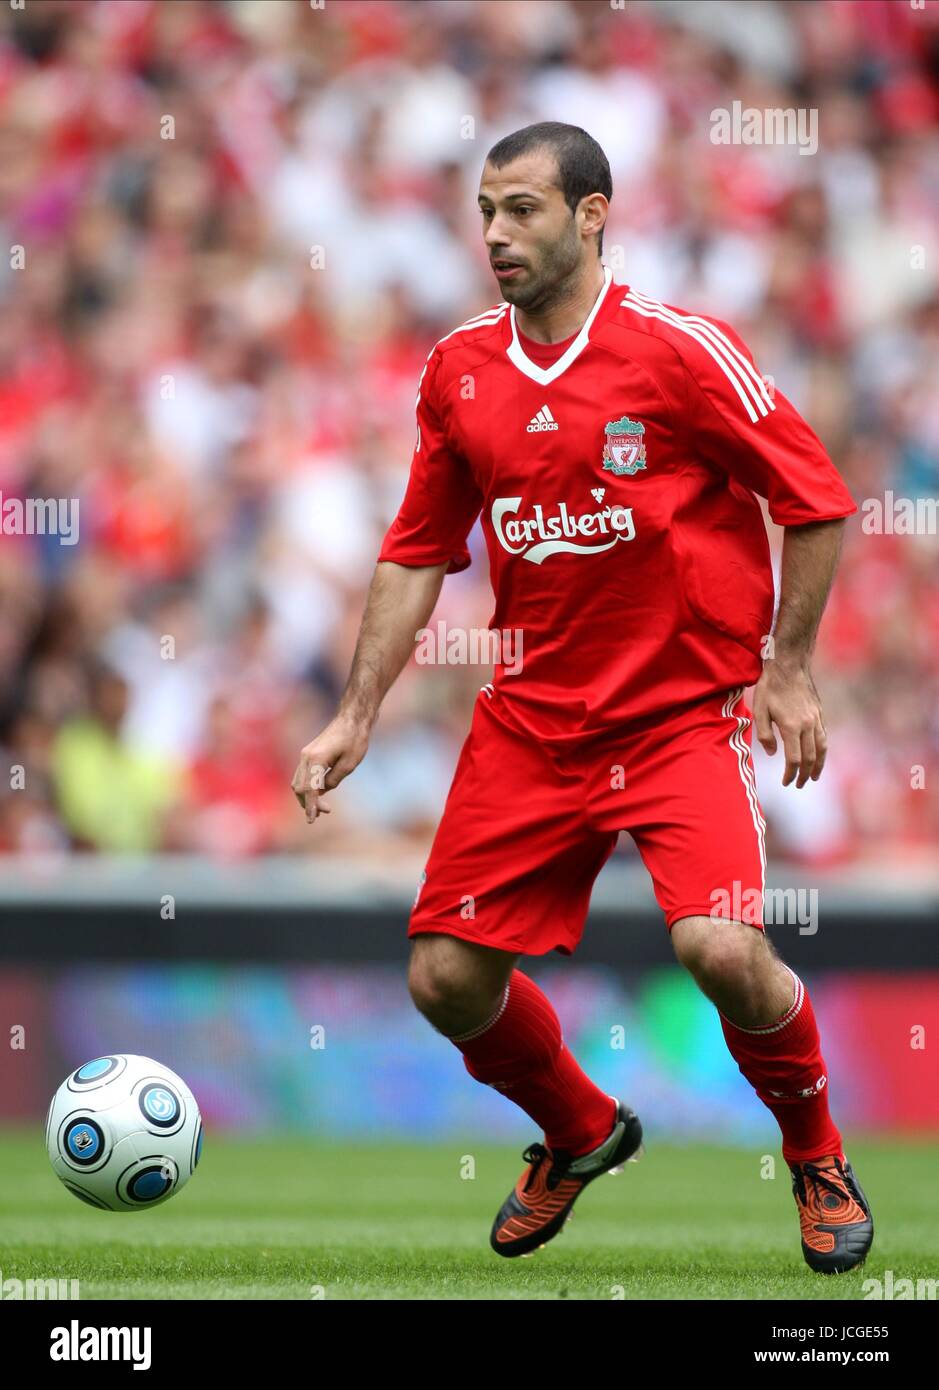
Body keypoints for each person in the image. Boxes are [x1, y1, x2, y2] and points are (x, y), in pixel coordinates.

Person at [292, 122, 872, 1273]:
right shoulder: (459, 369)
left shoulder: (680, 351)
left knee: (718, 949)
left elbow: (815, 498)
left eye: (523, 210)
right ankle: (580, 1129)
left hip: (678, 715)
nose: (497, 234)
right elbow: (417, 552)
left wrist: (788, 666)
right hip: (533, 719)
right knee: (445, 980)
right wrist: (355, 712)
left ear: (592, 214)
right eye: (486, 210)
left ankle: (814, 1152)